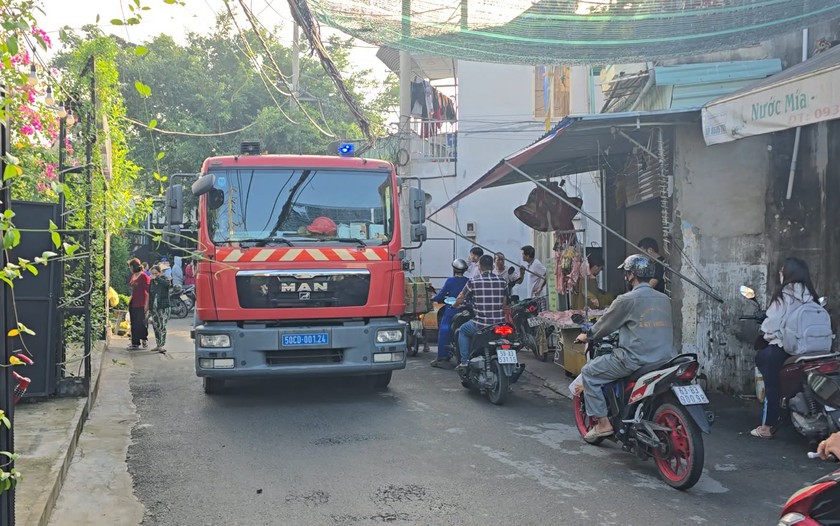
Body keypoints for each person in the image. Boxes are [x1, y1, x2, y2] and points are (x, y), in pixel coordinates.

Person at [574, 254, 674, 442]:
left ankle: (603, 424)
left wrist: (587, 335)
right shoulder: (664, 299)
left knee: (589, 372)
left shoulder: (627, 299)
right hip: (665, 359)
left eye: (626, 274)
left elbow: (604, 325)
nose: (626, 277)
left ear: (631, 275)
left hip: (635, 360)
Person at [751, 257, 820, 439]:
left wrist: (765, 332)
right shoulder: (812, 296)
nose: (780, 274)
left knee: (770, 381)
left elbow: (770, 325)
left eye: (782, 271)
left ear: (787, 274)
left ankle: (767, 426)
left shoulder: (784, 296)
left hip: (787, 348)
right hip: (816, 350)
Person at [453, 255, 509, 369]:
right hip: (499, 324)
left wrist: (455, 305)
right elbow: (504, 303)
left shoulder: (473, 281)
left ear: (479, 267)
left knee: (462, 330)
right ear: (493, 266)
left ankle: (464, 362)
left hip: (481, 325)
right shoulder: (502, 281)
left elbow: (460, 298)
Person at [430, 259, 470, 368]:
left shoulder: (450, 281)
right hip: (466, 311)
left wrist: (434, 298)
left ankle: (442, 356)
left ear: (454, 269)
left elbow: (441, 294)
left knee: (444, 329)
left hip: (452, 310)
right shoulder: (468, 281)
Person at [148, 265, 171, 353]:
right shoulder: (151, 282)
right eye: (152, 273)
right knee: (156, 326)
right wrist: (149, 308)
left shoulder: (164, 279)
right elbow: (150, 294)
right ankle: (158, 344)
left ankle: (162, 345)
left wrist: (157, 278)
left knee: (162, 326)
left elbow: (167, 285)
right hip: (154, 308)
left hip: (164, 307)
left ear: (160, 273)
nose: (154, 275)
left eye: (156, 273)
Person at [128, 260, 150, 350]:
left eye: (130, 267)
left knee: (141, 322)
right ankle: (135, 342)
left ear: (133, 266)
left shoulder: (144, 276)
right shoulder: (133, 275)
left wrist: (146, 305)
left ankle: (144, 339)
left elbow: (148, 291)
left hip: (141, 302)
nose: (129, 269)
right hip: (133, 301)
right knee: (133, 322)